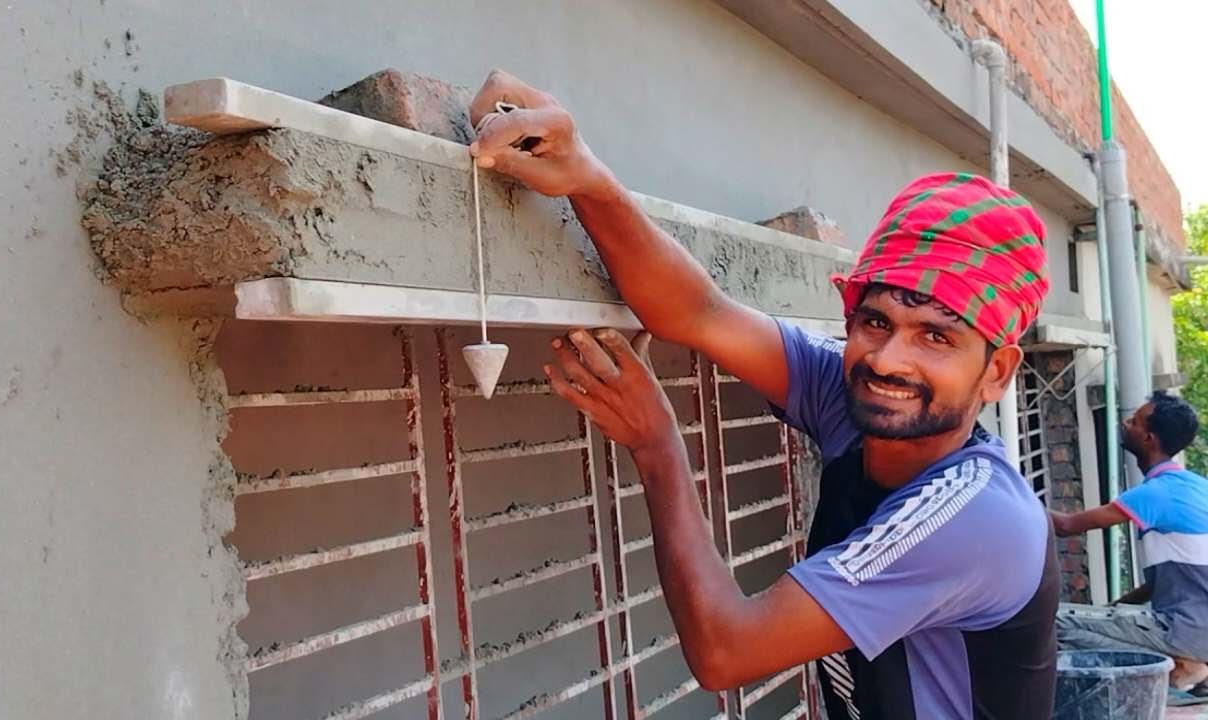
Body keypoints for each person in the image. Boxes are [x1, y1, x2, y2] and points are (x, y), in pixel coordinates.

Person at [469, 70, 1058, 720]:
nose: (891, 360)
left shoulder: (975, 519)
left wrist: (659, 445)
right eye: (877, 322)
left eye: (937, 339)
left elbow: (726, 651)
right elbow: (698, 313)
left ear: (997, 372)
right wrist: (585, 176)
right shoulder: (857, 404)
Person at [1052, 391, 1208, 698]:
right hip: (1195, 626)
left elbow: (1065, 526)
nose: (1125, 423)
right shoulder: (1196, 486)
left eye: (1134, 421)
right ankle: (1186, 665)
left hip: (1186, 631)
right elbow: (1166, 584)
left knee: (1053, 624)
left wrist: (1005, 490)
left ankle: (1182, 668)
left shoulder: (1155, 494)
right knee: (1088, 620)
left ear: (1149, 438)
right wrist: (1111, 610)